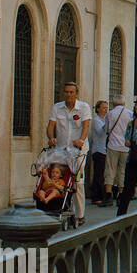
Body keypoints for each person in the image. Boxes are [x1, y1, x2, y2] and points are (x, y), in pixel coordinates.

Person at [47, 81, 91, 227]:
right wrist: (51, 138)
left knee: (77, 182)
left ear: (76, 93)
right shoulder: (57, 107)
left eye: (72, 92)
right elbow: (51, 126)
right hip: (61, 150)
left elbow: (86, 126)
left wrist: (81, 140)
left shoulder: (83, 107)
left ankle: (80, 214)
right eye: (67, 92)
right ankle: (59, 207)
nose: (69, 95)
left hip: (78, 152)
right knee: (59, 179)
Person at [103, 96, 131, 205]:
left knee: (110, 169)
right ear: (124, 103)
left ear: (113, 103)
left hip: (113, 145)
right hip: (125, 146)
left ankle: (108, 194)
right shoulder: (130, 113)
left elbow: (106, 129)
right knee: (122, 170)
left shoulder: (110, 114)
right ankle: (121, 194)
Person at [88, 100, 109, 205]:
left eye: (107, 108)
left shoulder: (103, 119)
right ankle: (96, 196)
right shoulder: (96, 120)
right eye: (104, 108)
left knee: (102, 174)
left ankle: (101, 195)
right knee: (98, 174)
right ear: (98, 109)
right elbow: (101, 132)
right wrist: (108, 123)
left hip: (104, 150)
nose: (106, 110)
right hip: (98, 150)